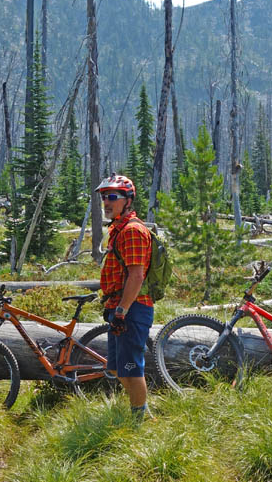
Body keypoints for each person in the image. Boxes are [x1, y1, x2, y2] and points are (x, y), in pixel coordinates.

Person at [95, 173, 155, 420]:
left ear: (127, 200)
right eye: (103, 197)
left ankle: (138, 423)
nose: (106, 202)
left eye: (112, 197)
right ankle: (143, 413)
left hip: (132, 308)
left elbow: (136, 276)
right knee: (118, 369)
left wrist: (122, 311)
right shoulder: (118, 229)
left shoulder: (132, 231)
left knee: (131, 369)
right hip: (119, 306)